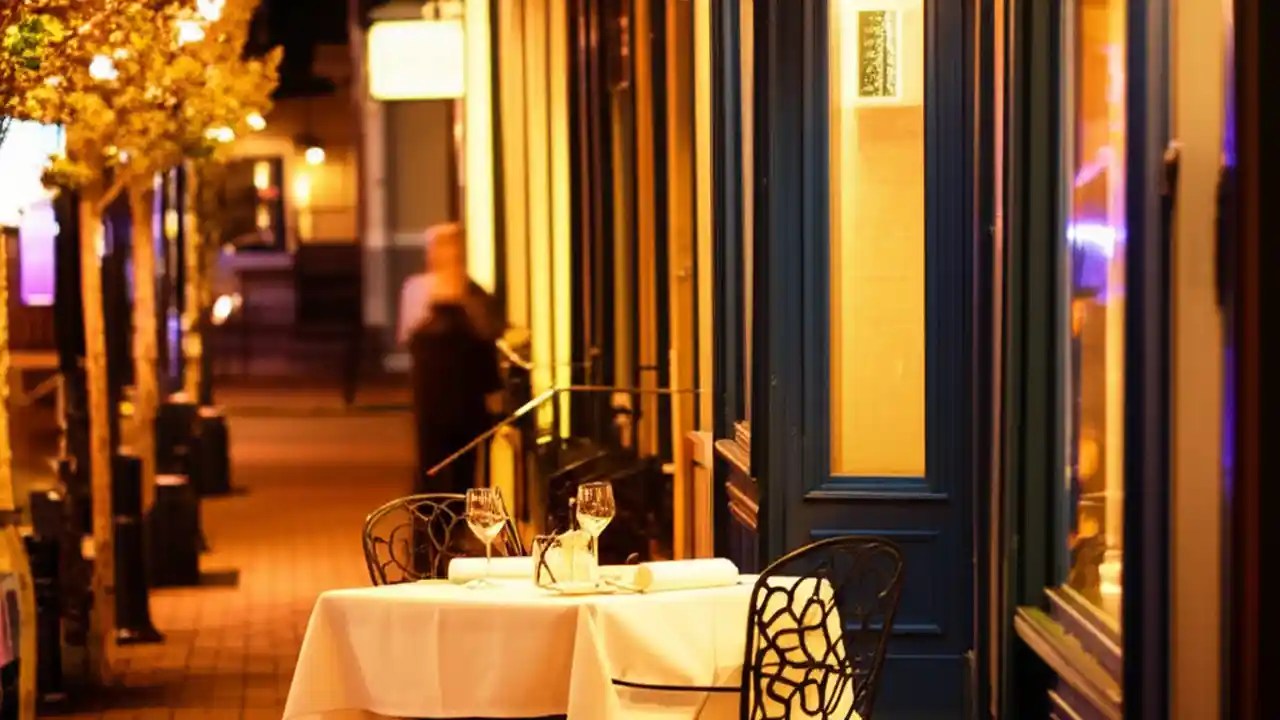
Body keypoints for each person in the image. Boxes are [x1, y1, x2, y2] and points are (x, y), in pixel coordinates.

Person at [399, 223, 504, 495]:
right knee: (440, 469)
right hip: (438, 402)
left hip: (459, 402)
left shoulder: (474, 295)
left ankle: (445, 527)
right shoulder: (420, 291)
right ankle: (436, 528)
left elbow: (488, 338)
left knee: (458, 471)